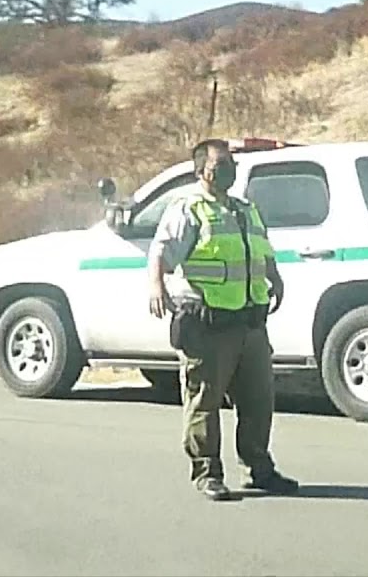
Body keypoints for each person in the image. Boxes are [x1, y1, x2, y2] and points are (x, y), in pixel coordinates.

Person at [147, 138, 300, 501]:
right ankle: (207, 473)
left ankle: (259, 468)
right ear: (201, 170)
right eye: (220, 164)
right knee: (204, 401)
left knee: (259, 401)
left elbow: (261, 249)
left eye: (231, 163)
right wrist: (156, 285)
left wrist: (274, 277)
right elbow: (162, 252)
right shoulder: (188, 208)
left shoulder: (245, 209)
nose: (228, 170)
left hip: (250, 324)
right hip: (207, 326)